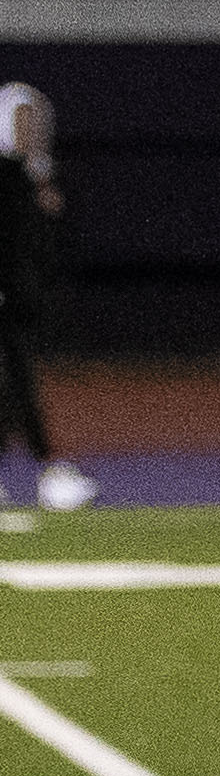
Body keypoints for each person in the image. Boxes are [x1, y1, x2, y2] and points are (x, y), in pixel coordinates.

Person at [0, 81, 91, 510]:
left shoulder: (34, 177)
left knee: (14, 382)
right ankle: (49, 469)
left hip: (22, 296)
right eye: (21, 122)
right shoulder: (7, 176)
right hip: (7, 293)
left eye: (34, 121)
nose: (31, 130)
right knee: (17, 379)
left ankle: (47, 469)